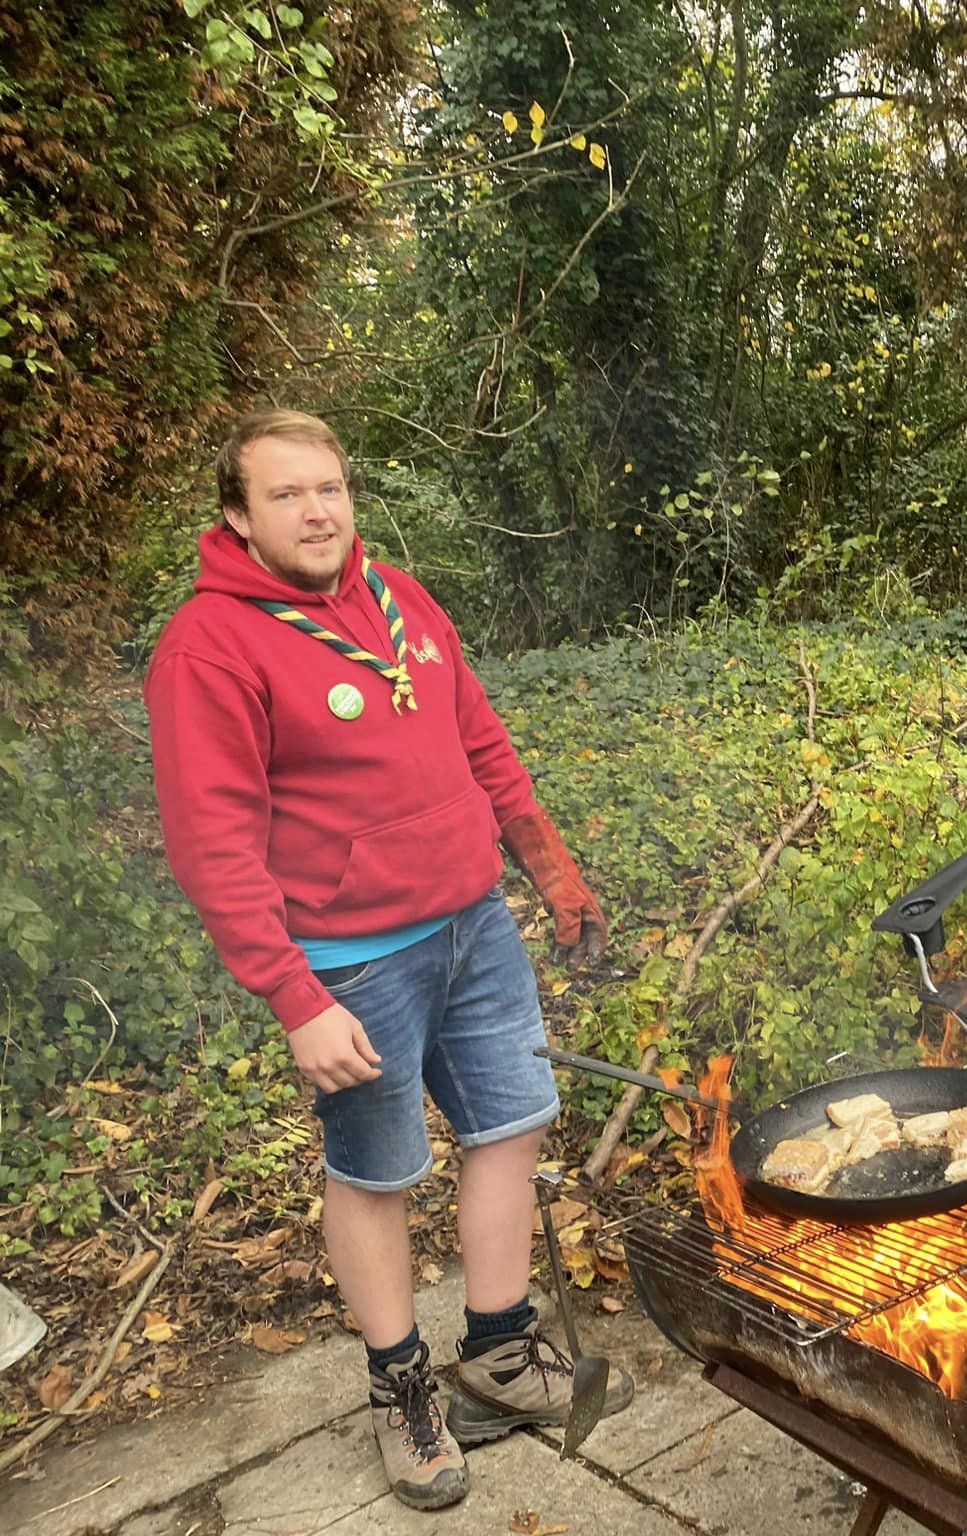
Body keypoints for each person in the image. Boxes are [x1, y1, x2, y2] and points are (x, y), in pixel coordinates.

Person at [146, 410, 632, 1511]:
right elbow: (212, 845)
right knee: (377, 1174)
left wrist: (551, 873)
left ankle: (499, 1354)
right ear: (238, 516)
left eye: (329, 487)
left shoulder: (399, 599)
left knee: (511, 1126)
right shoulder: (210, 646)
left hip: (475, 926)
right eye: (285, 494)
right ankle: (400, 1390)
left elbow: (482, 743)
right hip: (351, 966)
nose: (317, 511)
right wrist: (295, 998)